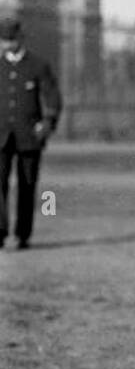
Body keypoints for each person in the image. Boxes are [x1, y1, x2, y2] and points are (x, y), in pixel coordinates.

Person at [0, 16, 61, 250]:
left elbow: (53, 97)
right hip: (1, 136)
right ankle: (0, 231)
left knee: (27, 184)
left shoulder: (38, 65)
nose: (6, 45)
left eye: (10, 40)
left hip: (29, 137)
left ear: (20, 39)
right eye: (3, 40)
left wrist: (47, 123)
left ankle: (22, 233)